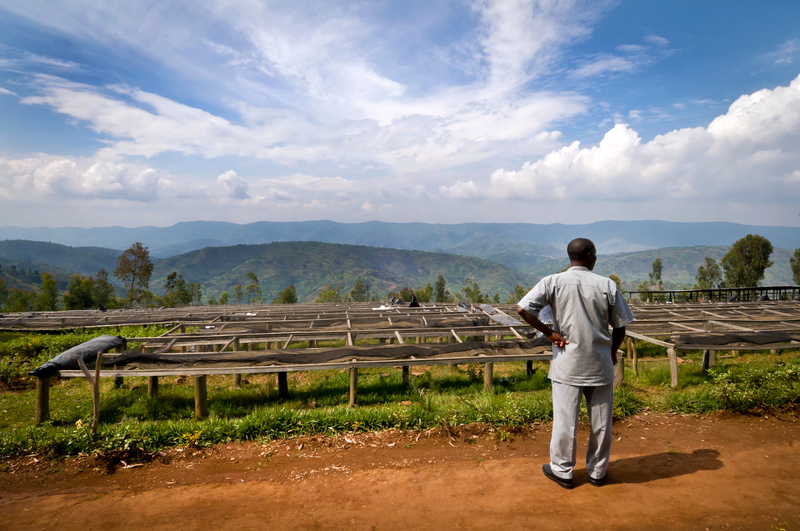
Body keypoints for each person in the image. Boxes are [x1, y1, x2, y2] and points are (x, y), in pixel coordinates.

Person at [517, 238, 634, 489]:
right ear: (591, 256)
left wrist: (549, 333)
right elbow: (620, 326)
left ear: (570, 257)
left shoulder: (553, 281)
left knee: (564, 420)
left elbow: (523, 310)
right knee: (601, 423)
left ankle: (562, 471)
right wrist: (612, 352)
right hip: (599, 363)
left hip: (566, 362)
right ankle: (598, 472)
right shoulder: (607, 285)